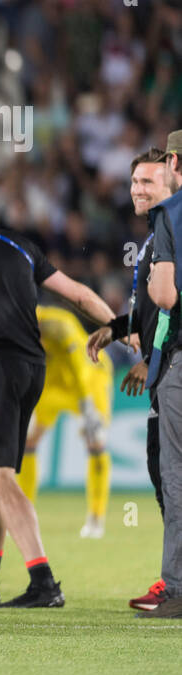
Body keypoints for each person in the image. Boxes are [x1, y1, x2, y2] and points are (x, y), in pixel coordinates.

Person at [0, 169, 116, 608]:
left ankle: (44, 581)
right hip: (31, 367)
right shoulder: (18, 243)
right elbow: (77, 293)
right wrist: (120, 327)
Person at [87, 147, 170, 610]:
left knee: (170, 476)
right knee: (164, 475)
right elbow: (152, 307)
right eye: (135, 181)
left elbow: (173, 308)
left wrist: (150, 358)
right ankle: (173, 578)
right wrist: (119, 328)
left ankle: (175, 583)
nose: (138, 189)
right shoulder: (156, 234)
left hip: (170, 366)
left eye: (148, 182)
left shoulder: (171, 231)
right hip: (164, 367)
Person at [22, 305, 114, 538]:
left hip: (90, 377)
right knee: (27, 441)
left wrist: (87, 404)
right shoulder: (17, 321)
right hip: (53, 383)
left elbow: (80, 364)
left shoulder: (58, 324)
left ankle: (96, 517)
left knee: (96, 442)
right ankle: (24, 511)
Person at [141, 131, 182, 619]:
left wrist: (153, 276)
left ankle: (176, 589)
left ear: (173, 161)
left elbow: (166, 296)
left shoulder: (170, 213)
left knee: (175, 479)